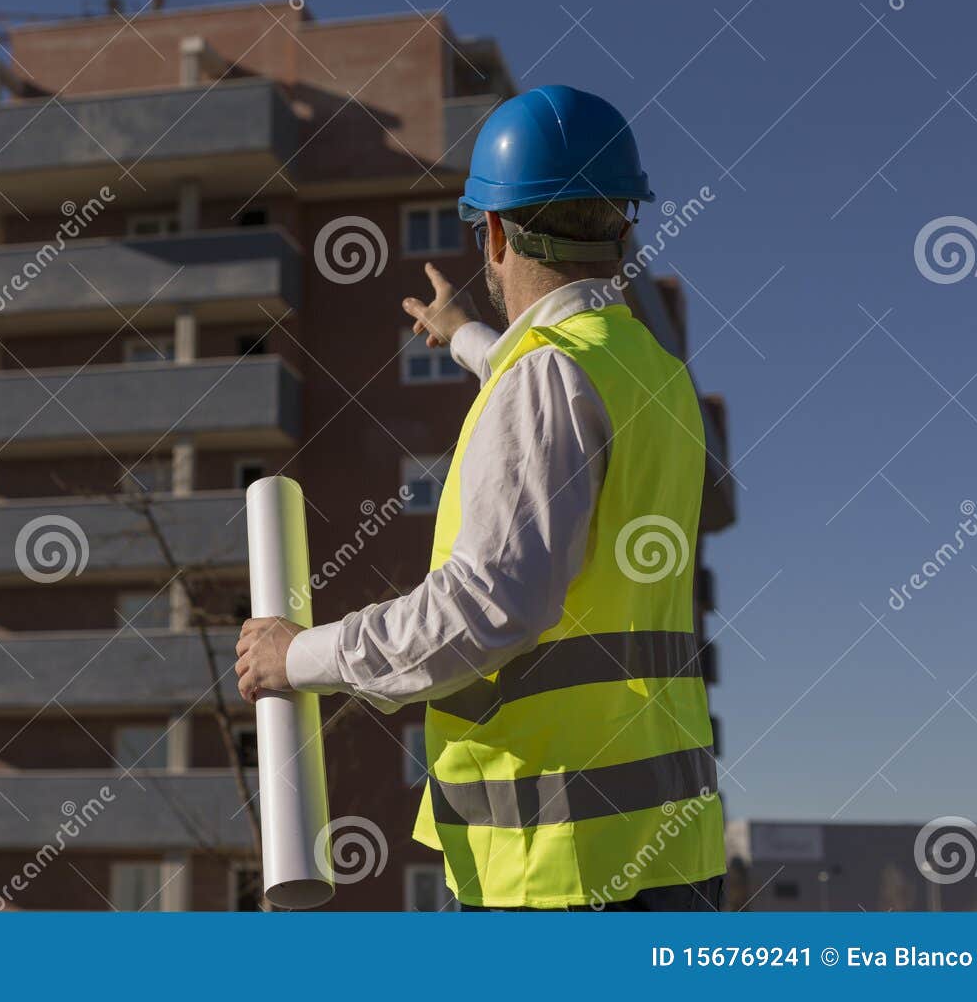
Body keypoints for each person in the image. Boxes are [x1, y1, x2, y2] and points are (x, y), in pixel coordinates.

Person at [234, 85, 724, 911]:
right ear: (624, 225)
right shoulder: (650, 373)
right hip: (663, 853)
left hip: (553, 870)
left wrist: (299, 656)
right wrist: (464, 334)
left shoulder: (548, 377)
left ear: (493, 231)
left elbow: (487, 607)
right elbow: (557, 404)